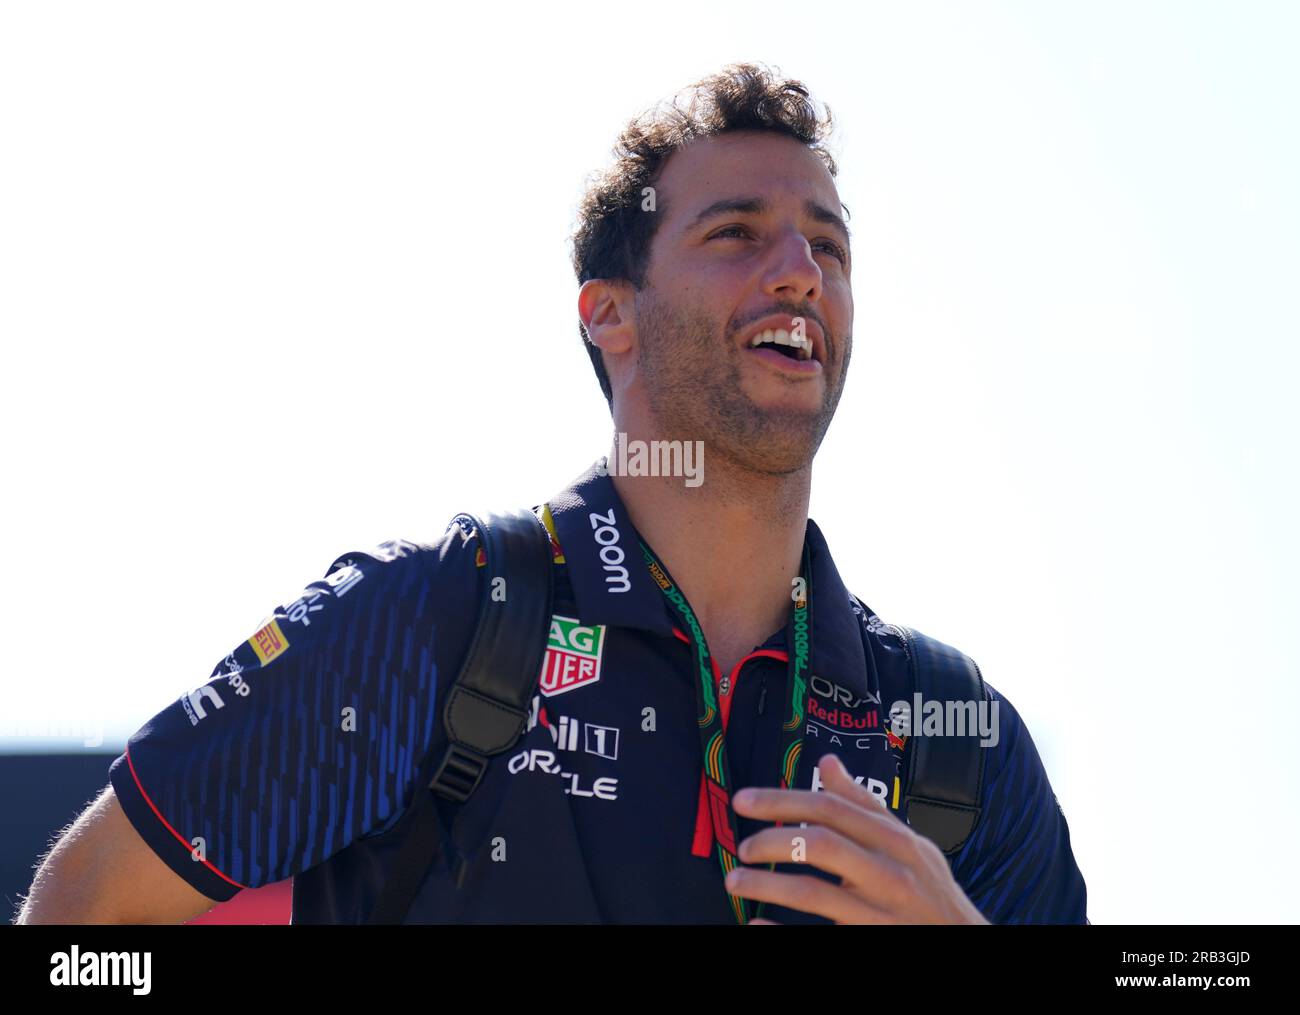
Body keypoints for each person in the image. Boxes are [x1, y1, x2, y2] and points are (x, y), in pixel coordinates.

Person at [16, 62, 1087, 925]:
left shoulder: (951, 737)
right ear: (608, 314)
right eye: (735, 233)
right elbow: (82, 923)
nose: (800, 268)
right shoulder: (433, 619)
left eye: (829, 244)